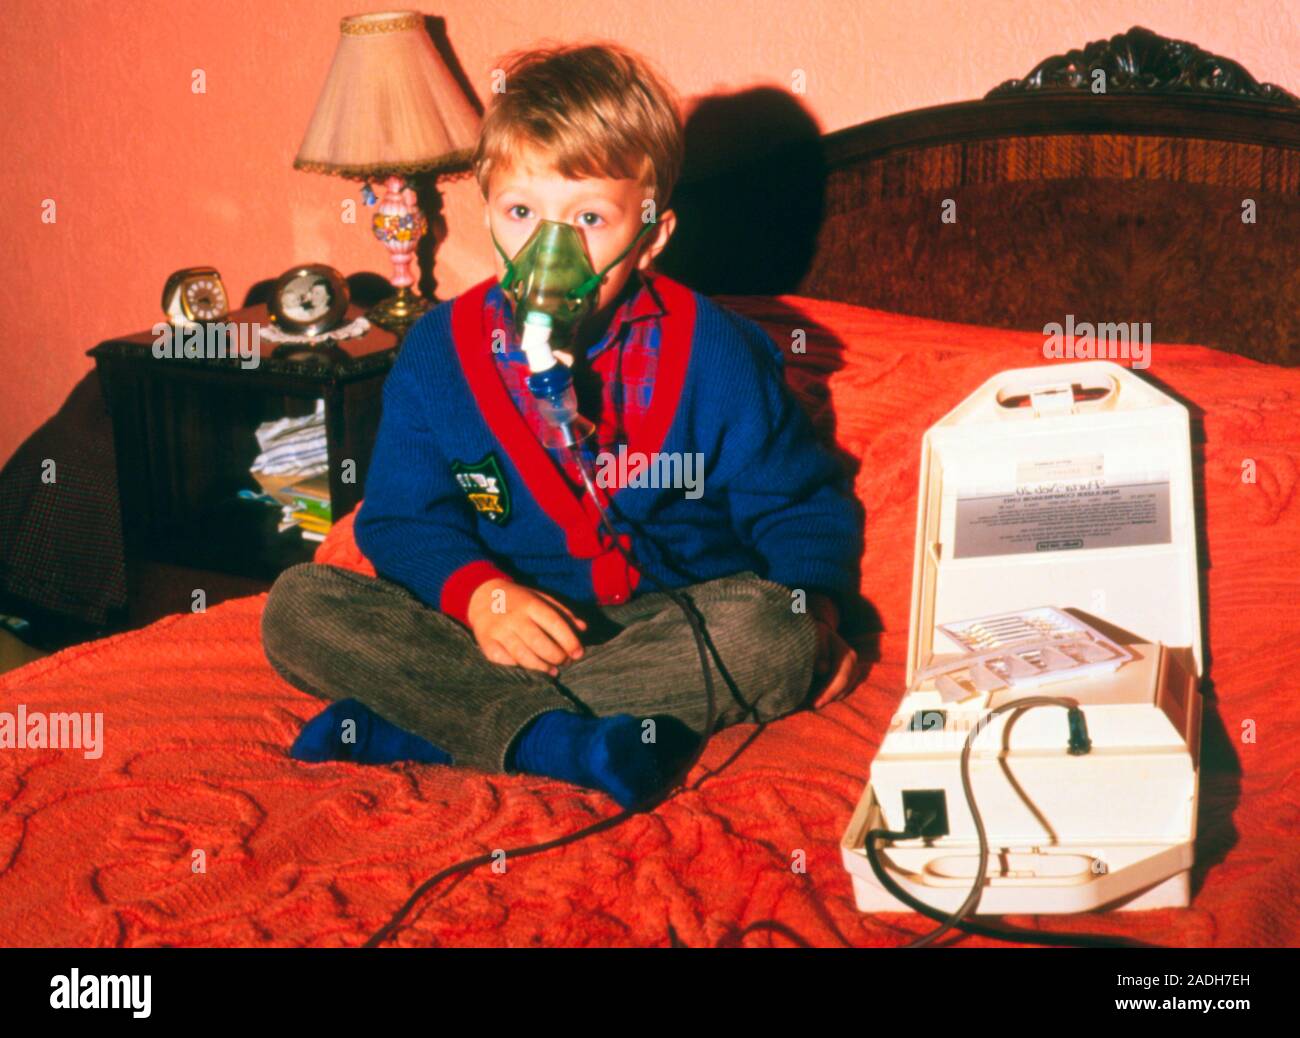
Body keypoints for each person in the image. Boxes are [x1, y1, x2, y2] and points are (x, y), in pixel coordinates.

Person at [260, 42, 864, 811]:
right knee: (300, 605)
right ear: (488, 215)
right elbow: (406, 521)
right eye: (522, 213)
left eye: (589, 217)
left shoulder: (718, 352)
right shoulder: (439, 353)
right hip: (496, 623)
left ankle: (429, 724)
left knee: (772, 635)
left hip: (667, 623)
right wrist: (482, 598)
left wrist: (819, 611)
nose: (552, 251)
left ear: (654, 232)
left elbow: (799, 507)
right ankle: (555, 737)